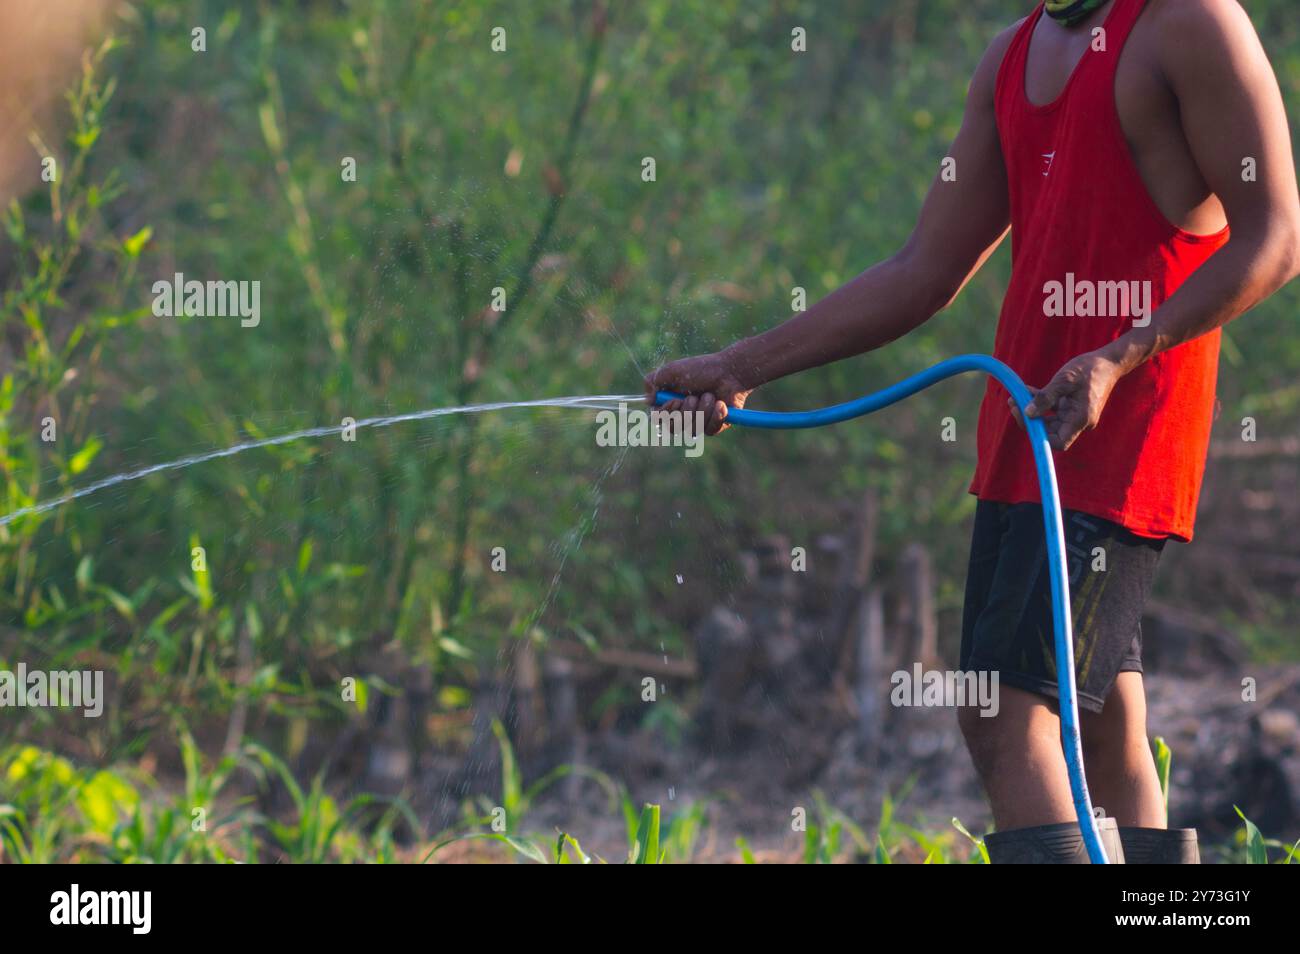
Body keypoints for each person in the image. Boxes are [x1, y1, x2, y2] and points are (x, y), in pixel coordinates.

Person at [645, 0, 1300, 863]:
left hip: (1117, 434)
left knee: (1001, 713)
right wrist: (740, 365)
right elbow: (923, 269)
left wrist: (1121, 353)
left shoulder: (1191, 22)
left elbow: (1277, 236)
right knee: (1099, 718)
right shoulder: (1012, 56)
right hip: (1025, 438)